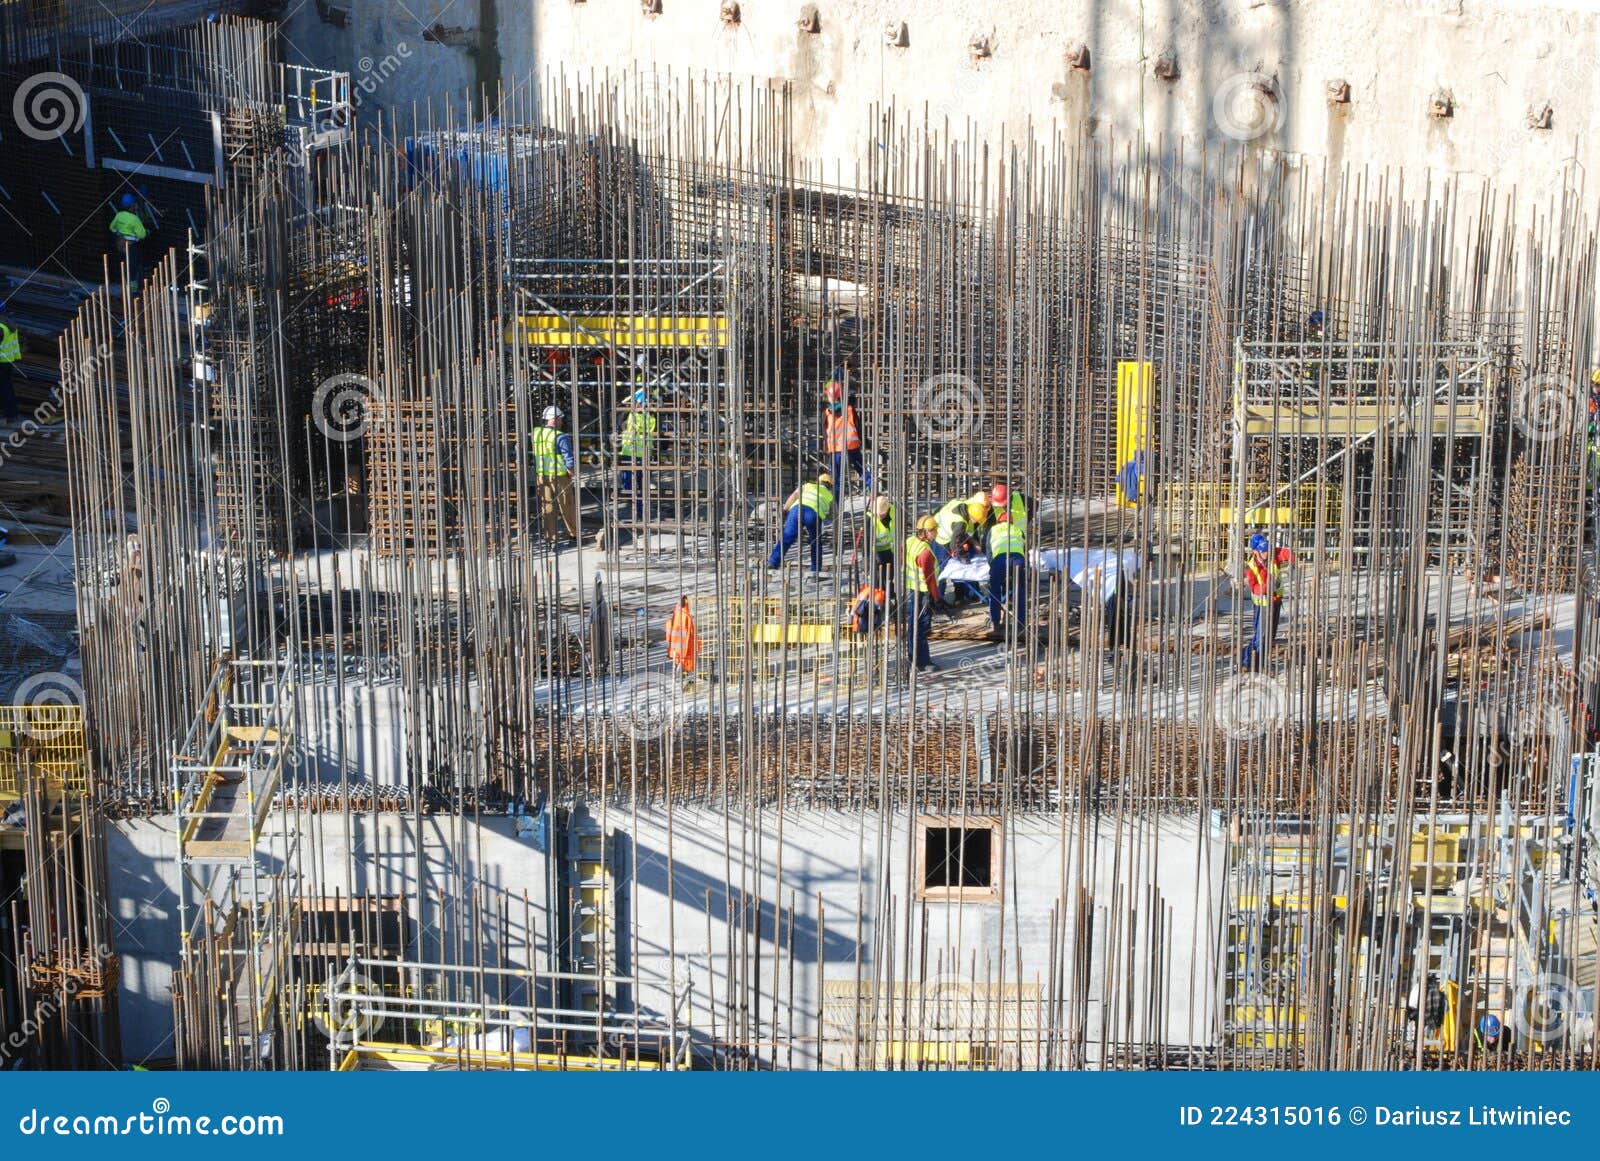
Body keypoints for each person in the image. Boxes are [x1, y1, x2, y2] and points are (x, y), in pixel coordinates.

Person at [1240, 532, 1296, 671]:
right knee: (1260, 637)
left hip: (1276, 602)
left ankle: (1260, 662)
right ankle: (1248, 663)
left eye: (1267, 549)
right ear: (1255, 552)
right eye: (1263, 551)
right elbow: (1254, 588)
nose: (1266, 553)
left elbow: (1287, 553)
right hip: (1263, 606)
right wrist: (1267, 588)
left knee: (1270, 636)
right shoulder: (1251, 567)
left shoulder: (1272, 555)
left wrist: (1292, 558)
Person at [768, 471, 835, 572]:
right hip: (813, 514)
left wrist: (785, 509)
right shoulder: (830, 496)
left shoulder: (807, 486)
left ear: (818, 481)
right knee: (815, 542)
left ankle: (773, 562)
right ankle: (815, 570)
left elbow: (794, 495)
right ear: (830, 486)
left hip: (796, 510)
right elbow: (836, 513)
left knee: (787, 537)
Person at [531, 404, 580, 543]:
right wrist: (572, 472)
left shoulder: (537, 433)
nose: (562, 422)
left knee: (547, 507)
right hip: (559, 475)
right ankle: (573, 534)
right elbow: (568, 456)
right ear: (554, 419)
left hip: (541, 475)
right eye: (560, 419)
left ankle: (550, 538)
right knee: (567, 505)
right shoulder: (560, 436)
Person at [903, 515, 942, 673]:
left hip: (913, 589)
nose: (936, 533)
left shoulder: (910, 541)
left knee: (913, 624)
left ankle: (912, 656)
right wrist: (936, 597)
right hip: (923, 593)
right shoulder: (925, 552)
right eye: (933, 531)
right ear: (925, 532)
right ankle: (923, 661)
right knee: (922, 627)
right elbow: (929, 578)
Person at [618, 387, 658, 521]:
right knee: (637, 486)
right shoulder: (652, 417)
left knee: (634, 486)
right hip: (635, 456)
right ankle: (639, 510)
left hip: (634, 456)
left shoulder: (630, 415)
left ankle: (639, 511)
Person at [987, 507, 1027, 641]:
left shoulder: (993, 530)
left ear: (998, 522)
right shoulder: (1018, 530)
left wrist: (992, 567)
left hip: (1000, 560)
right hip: (1017, 560)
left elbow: (988, 551)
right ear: (1011, 522)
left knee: (994, 590)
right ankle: (1021, 623)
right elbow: (1025, 549)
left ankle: (996, 623)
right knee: (1019, 590)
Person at [823, 370, 868, 488]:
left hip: (835, 450)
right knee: (862, 471)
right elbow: (859, 427)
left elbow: (825, 433)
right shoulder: (849, 409)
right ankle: (874, 493)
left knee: (836, 480)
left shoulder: (827, 412)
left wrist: (826, 448)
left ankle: (837, 504)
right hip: (851, 446)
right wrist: (865, 442)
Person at [109, 193, 149, 279]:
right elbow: (142, 235)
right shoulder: (134, 219)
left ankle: (124, 282)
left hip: (120, 245)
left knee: (123, 264)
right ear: (132, 206)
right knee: (133, 266)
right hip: (131, 246)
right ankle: (133, 288)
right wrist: (147, 232)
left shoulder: (119, 215)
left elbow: (112, 228)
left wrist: (120, 234)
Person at [866, 494, 896, 597]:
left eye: (882, 514)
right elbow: (866, 542)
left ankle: (889, 598)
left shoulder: (893, 511)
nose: (880, 516)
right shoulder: (870, 519)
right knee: (877, 581)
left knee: (889, 579)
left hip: (890, 551)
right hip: (876, 553)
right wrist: (867, 558)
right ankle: (878, 601)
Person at [0, 303, 22, 430]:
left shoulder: (0, 327)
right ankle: (12, 414)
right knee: (7, 388)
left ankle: (7, 415)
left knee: (4, 390)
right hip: (8, 361)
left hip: (1, 362)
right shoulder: (9, 323)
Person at [665, 596, 699, 676]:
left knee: (677, 666)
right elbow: (691, 632)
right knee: (685, 665)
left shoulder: (675, 615)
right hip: (685, 649)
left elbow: (669, 631)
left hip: (674, 650)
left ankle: (680, 674)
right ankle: (686, 673)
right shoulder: (686, 616)